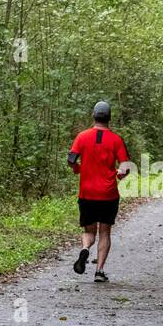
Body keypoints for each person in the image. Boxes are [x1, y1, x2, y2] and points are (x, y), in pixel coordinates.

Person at [67, 101, 130, 283]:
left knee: (89, 231)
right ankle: (99, 271)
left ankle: (85, 249)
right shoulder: (116, 140)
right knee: (105, 232)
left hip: (87, 193)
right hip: (108, 194)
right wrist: (119, 175)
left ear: (93, 116)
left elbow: (71, 159)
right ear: (109, 118)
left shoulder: (82, 136)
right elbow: (125, 168)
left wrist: (77, 169)